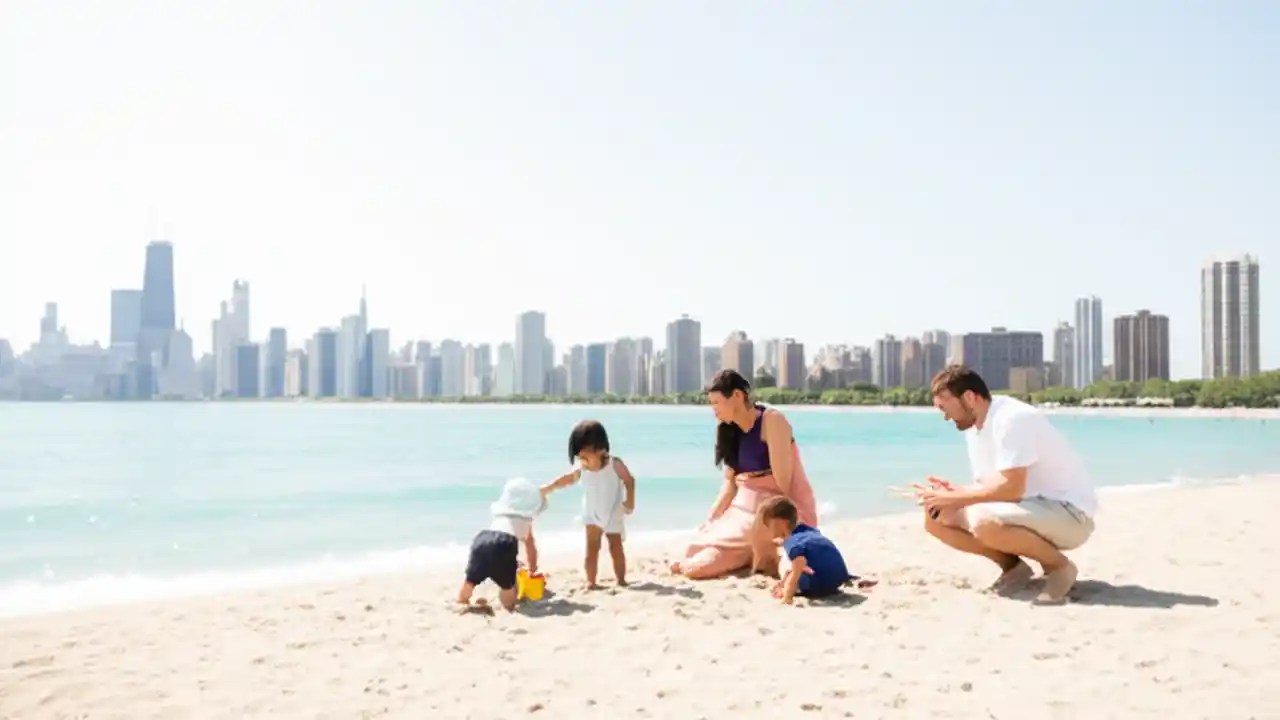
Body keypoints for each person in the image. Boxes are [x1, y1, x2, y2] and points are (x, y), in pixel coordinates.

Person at [920, 365, 1098, 603]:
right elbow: (992, 485)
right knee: (936, 519)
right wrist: (954, 493)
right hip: (1030, 508)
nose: (944, 416)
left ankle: (1059, 567)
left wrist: (957, 499)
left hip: (1070, 515)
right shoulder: (975, 426)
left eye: (945, 407)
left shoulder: (1013, 419)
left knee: (984, 522)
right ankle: (1014, 568)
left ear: (969, 397)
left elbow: (1012, 488)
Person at [670, 369, 819, 580]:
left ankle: (756, 550)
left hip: (775, 511)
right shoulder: (730, 431)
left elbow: (782, 486)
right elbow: (729, 486)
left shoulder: (772, 421)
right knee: (692, 550)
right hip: (741, 512)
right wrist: (711, 519)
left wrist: (756, 527)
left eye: (717, 403)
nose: (714, 411)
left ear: (738, 396)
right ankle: (751, 553)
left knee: (696, 569)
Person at [543, 420, 637, 589]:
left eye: (586, 457)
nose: (583, 461)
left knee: (616, 547)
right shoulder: (583, 468)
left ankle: (621, 580)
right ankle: (591, 581)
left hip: (613, 512)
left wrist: (630, 501)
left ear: (601, 449)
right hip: (591, 513)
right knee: (592, 550)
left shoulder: (614, 464)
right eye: (580, 458)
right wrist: (548, 488)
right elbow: (567, 479)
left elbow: (629, 481)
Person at [456, 477, 553, 613]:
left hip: (482, 538)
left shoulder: (500, 513)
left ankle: (462, 600)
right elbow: (530, 546)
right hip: (504, 543)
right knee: (507, 584)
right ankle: (508, 605)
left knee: (471, 579)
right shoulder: (526, 519)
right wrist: (532, 569)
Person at [759, 496, 870, 604]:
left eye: (768, 524)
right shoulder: (809, 532)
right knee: (804, 564)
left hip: (822, 585)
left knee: (792, 569)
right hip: (840, 578)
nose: (767, 528)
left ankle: (786, 588)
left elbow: (798, 566)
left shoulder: (792, 542)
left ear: (780, 523)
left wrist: (787, 595)